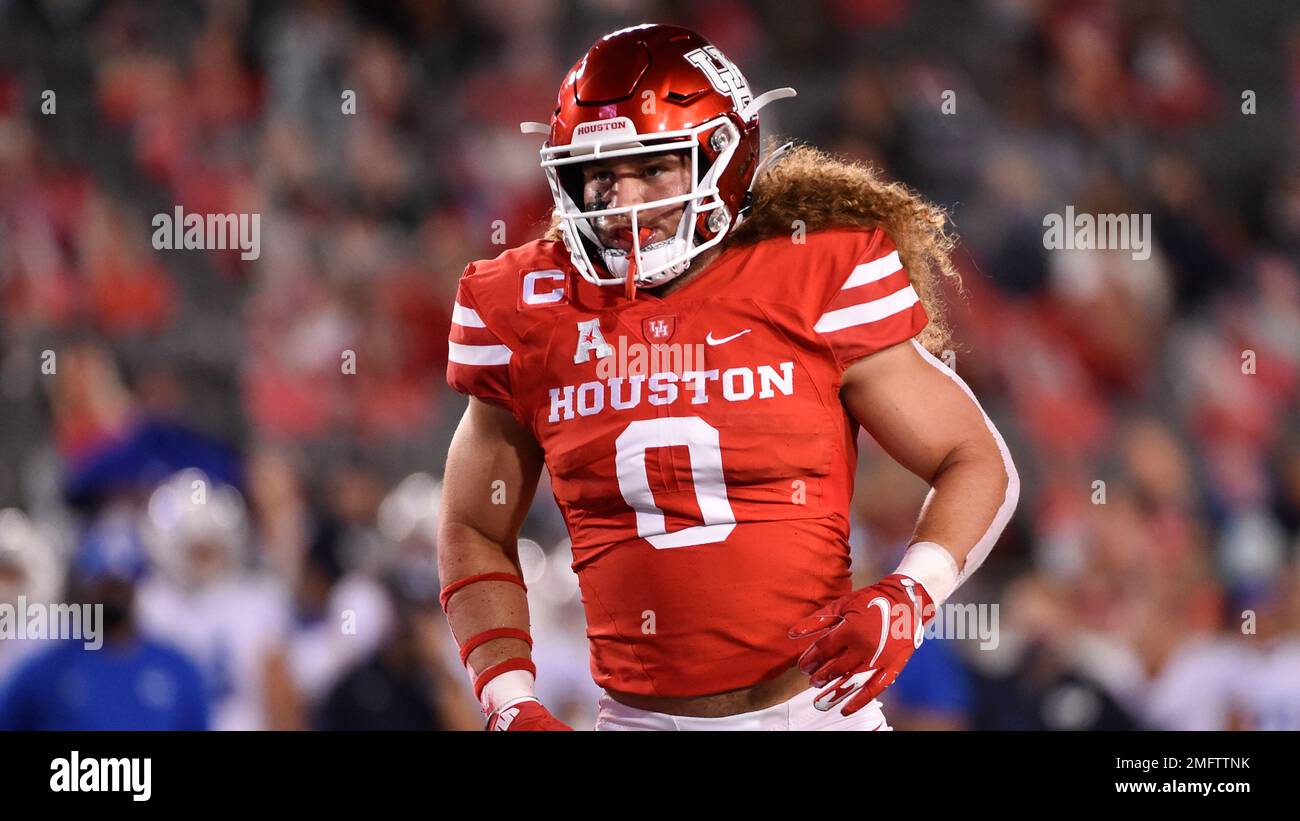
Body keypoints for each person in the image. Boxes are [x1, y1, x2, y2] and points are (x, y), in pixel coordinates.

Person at [437, 23, 1019, 731]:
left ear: (725, 156)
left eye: (652, 168)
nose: (623, 203)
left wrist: (911, 592)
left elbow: (975, 458)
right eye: (600, 174)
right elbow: (472, 523)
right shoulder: (525, 306)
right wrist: (509, 700)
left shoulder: (814, 272)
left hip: (813, 715)